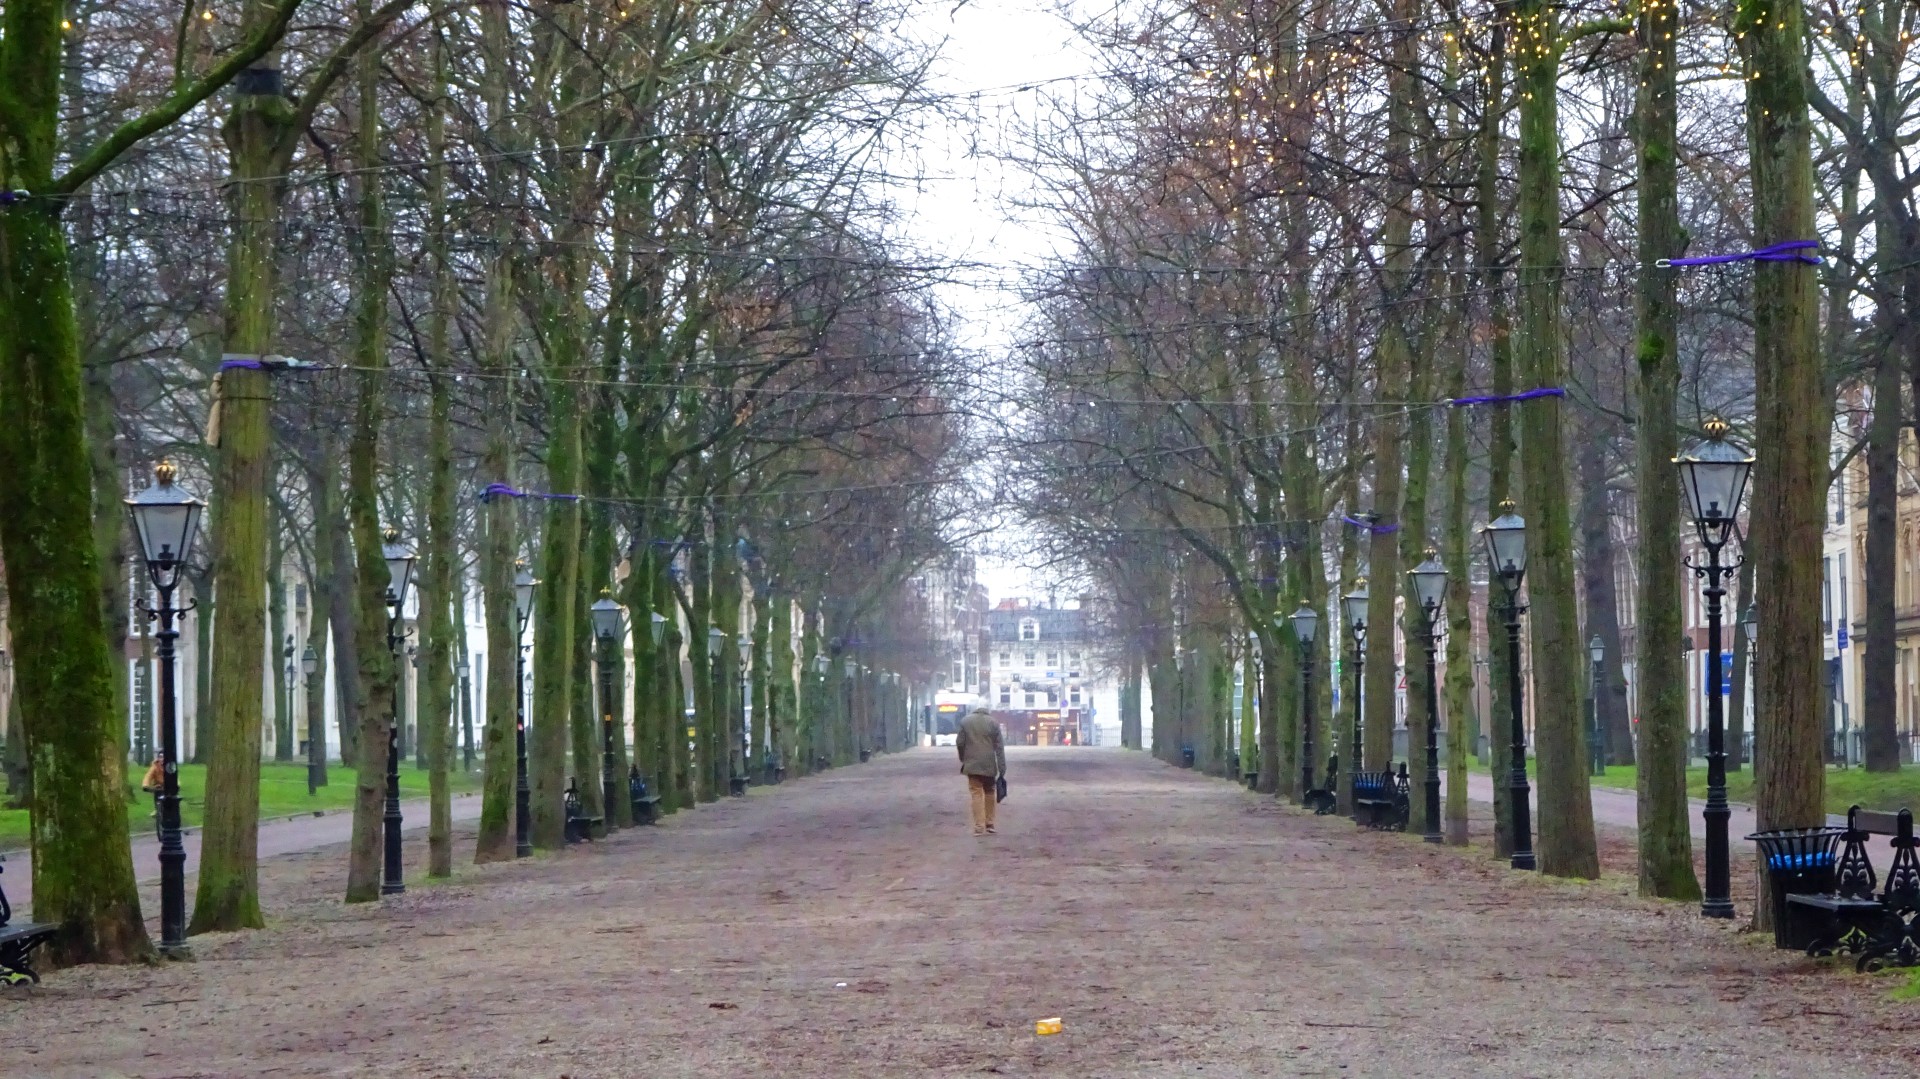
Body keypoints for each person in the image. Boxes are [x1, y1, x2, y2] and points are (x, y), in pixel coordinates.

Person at [956, 706, 1005, 836]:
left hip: (972, 764)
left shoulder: (965, 721)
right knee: (990, 792)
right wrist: (1002, 768)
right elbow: (999, 748)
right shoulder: (993, 722)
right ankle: (990, 823)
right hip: (989, 764)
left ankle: (979, 826)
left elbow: (960, 743)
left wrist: (963, 758)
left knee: (976, 793)